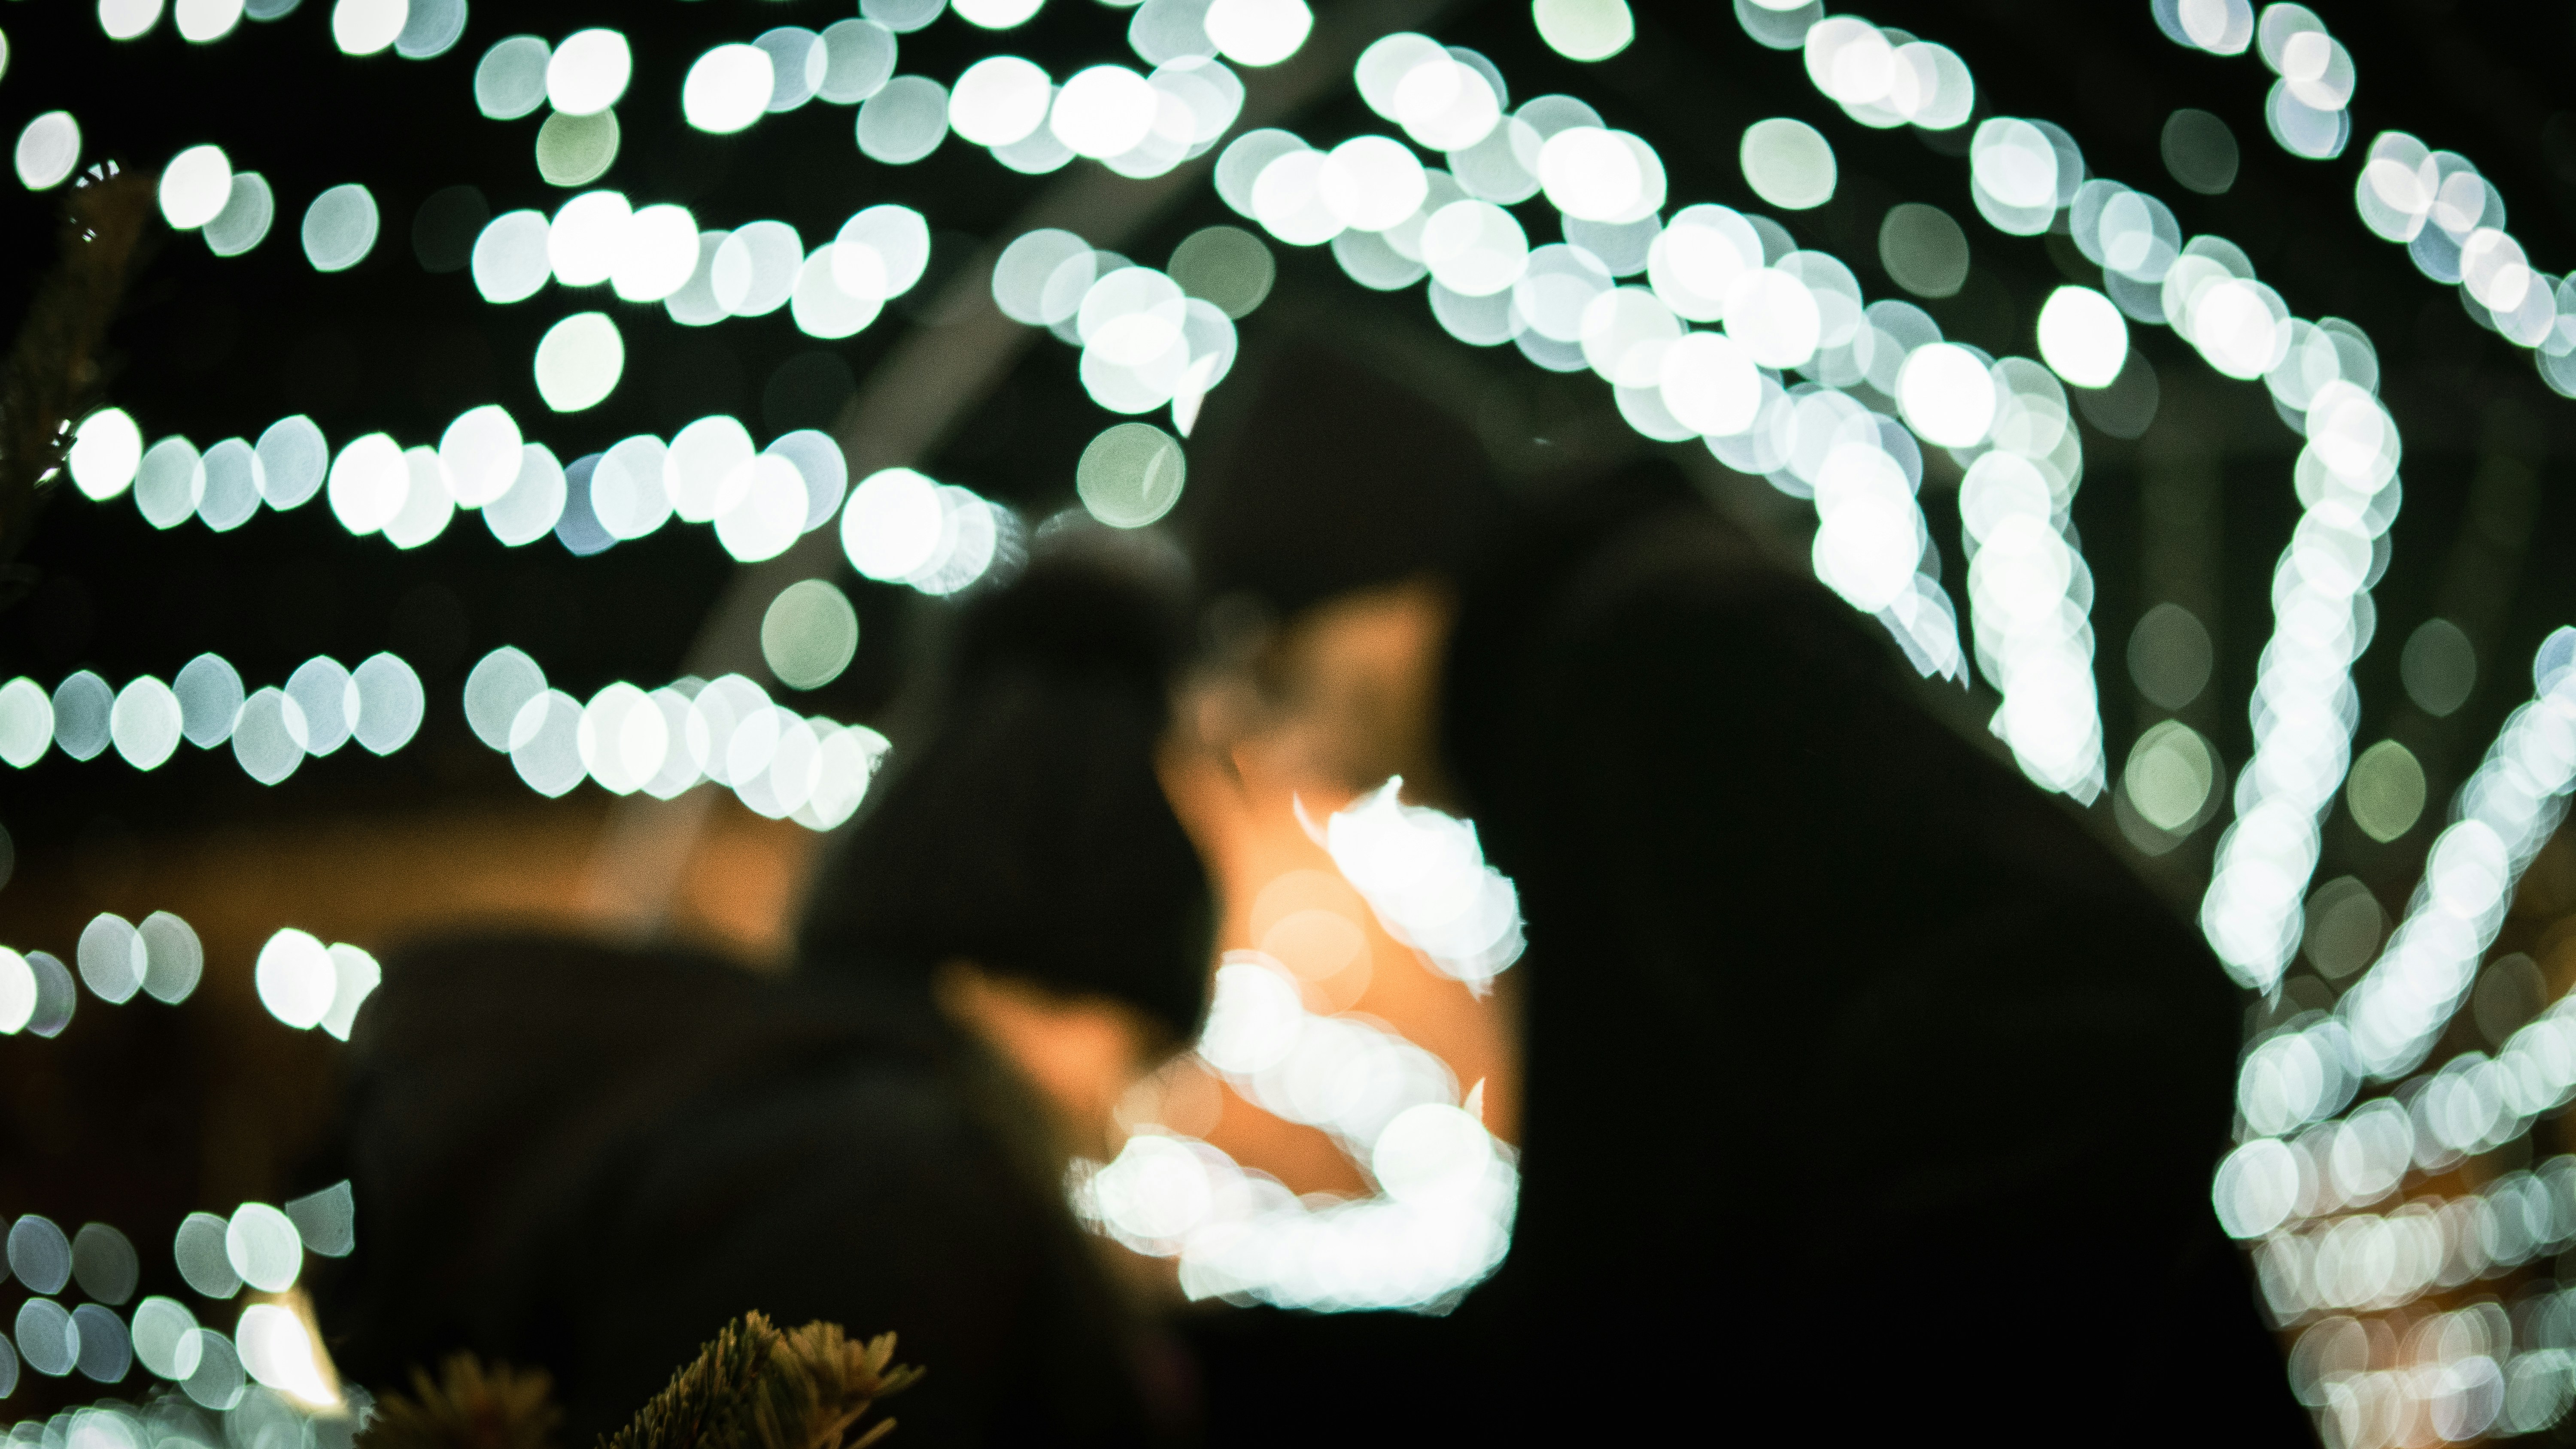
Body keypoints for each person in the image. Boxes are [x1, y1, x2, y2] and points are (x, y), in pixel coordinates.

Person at [1173, 337, 2310, 1442]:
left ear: (1383, 575)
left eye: (1283, 674)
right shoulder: (1588, 710)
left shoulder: (1652, 668)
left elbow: (2094, 1010)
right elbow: (1638, 1296)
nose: (1300, 759)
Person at [319, 542, 1214, 1447]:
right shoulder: (900, 1189)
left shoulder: (772, 1138)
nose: (1123, 1110)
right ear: (989, 979)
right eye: (1133, 1045)